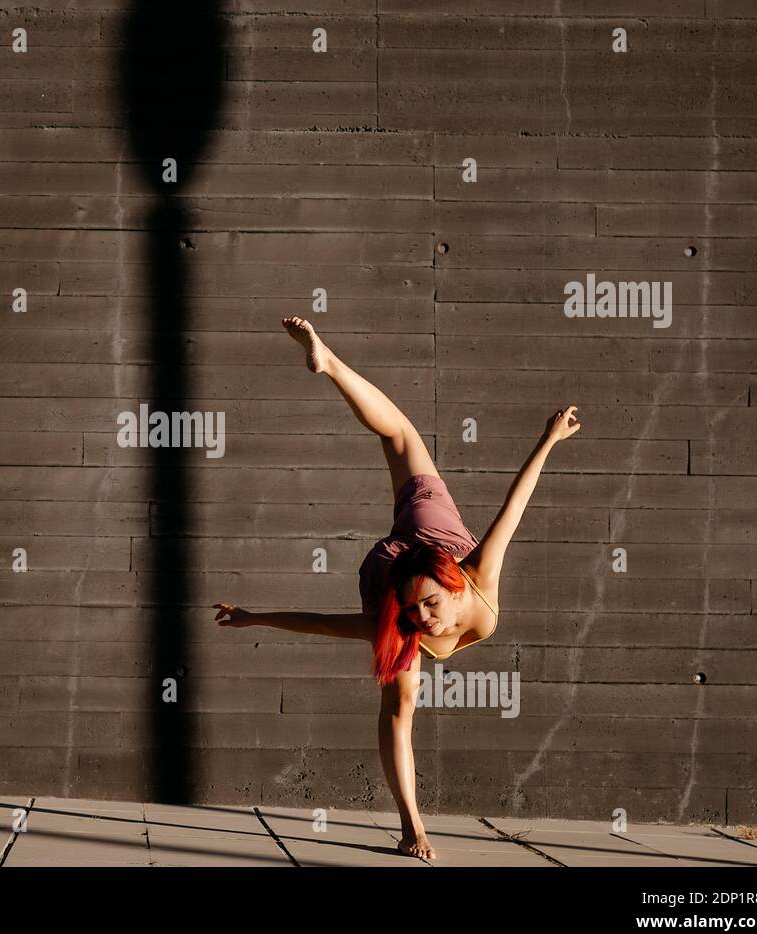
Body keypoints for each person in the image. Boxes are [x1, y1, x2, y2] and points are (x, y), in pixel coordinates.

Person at [212, 316, 582, 861]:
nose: (426, 619)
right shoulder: (401, 616)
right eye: (417, 612)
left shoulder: (479, 572)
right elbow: (318, 623)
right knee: (401, 704)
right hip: (391, 571)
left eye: (431, 605)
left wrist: (549, 438)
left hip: (435, 538)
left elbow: (515, 505)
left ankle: (330, 362)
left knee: (401, 433)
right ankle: (411, 826)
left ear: (456, 586)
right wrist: (254, 618)